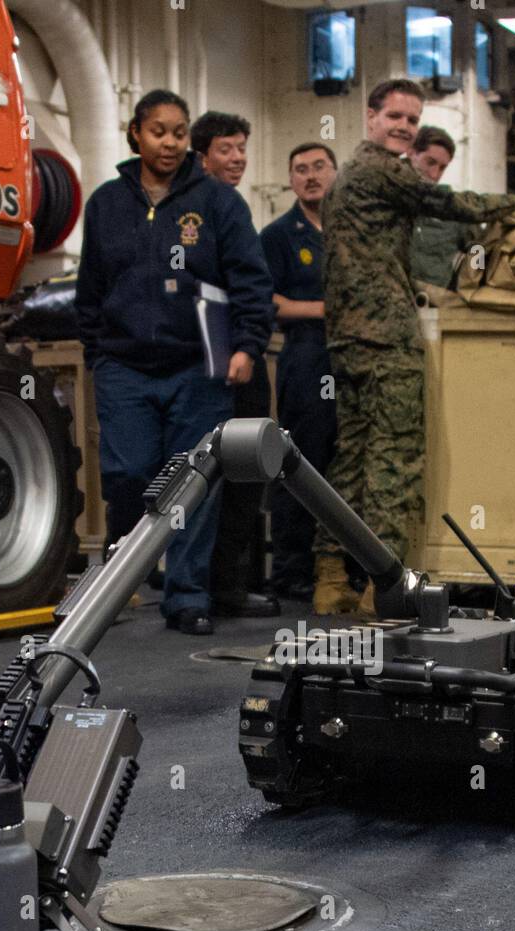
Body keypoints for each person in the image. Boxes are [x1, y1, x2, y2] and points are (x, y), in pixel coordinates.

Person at [317, 78, 515, 613]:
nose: (404, 126)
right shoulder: (383, 168)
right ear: (370, 116)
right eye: (395, 116)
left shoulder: (347, 176)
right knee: (394, 461)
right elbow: (450, 201)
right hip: (386, 335)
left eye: (412, 119)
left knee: (350, 460)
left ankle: (332, 582)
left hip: (347, 335)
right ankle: (385, 590)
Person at [75, 90, 273, 636]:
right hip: (124, 367)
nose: (170, 142)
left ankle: (186, 595)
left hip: (200, 366)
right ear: (136, 133)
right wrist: (98, 354)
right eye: (159, 131)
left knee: (190, 484)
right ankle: (117, 585)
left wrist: (246, 346)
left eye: (179, 132)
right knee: (129, 475)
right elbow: (89, 288)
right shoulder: (106, 204)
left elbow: (251, 280)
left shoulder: (218, 203)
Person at [190, 111, 279, 618]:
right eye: (227, 148)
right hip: (205, 367)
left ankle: (224, 586)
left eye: (242, 148)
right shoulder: (198, 211)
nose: (238, 158)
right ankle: (204, 589)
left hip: (241, 359)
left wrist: (248, 346)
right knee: (210, 478)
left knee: (244, 476)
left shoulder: (232, 207)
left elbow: (253, 287)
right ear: (202, 155)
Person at [260, 141, 348, 601]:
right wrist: (326, 309)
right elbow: (268, 300)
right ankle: (291, 570)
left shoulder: (351, 228)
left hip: (350, 357)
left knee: (345, 463)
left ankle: (340, 564)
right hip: (306, 357)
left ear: (335, 172)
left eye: (319, 167)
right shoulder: (278, 235)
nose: (311, 176)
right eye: (300, 170)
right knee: (300, 461)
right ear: (290, 180)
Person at [408, 126, 480, 290]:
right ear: (411, 153)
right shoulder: (385, 199)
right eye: (430, 162)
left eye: (442, 168)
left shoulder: (453, 209)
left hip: (433, 307)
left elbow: (479, 247)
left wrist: (474, 281)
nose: (435, 174)